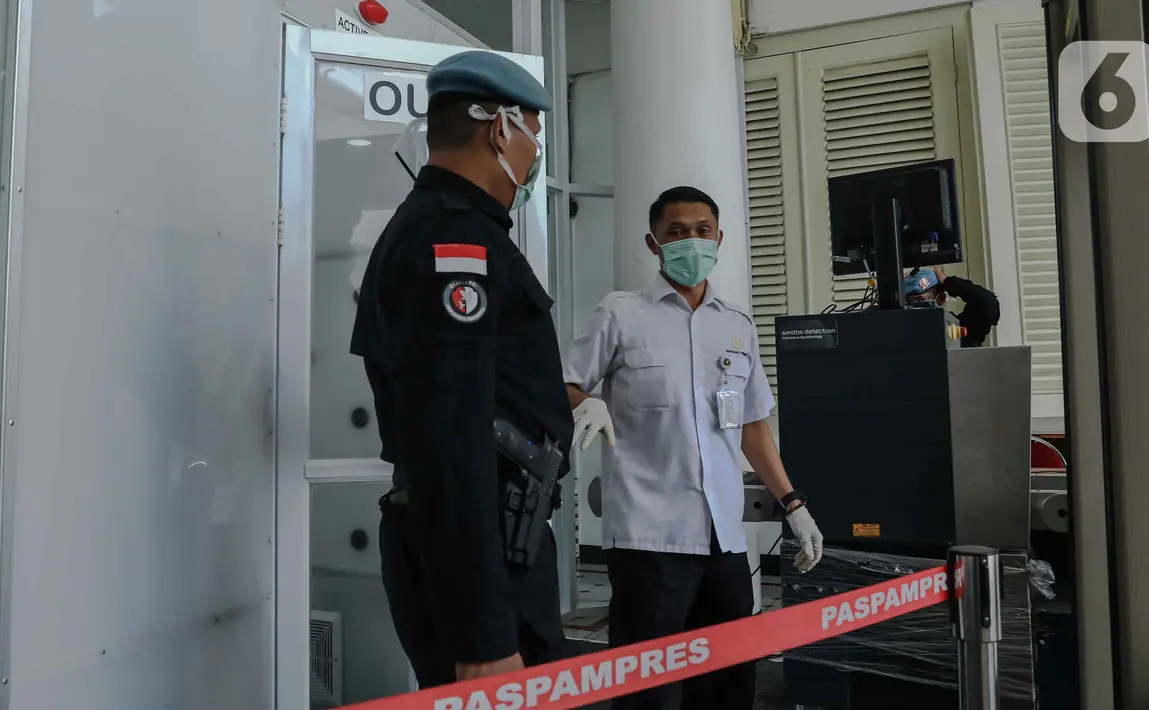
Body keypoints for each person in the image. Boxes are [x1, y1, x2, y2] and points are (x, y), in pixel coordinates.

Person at [349, 50, 573, 687]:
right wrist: (484, 631)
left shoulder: (446, 229)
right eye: (534, 132)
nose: (534, 152)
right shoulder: (456, 245)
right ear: (500, 127)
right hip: (481, 561)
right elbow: (453, 439)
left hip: (485, 542)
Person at [563, 186, 825, 710]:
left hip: (723, 539)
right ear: (653, 242)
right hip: (647, 536)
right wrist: (583, 403)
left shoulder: (736, 326)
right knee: (647, 692)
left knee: (728, 684)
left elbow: (752, 425)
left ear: (719, 238)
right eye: (676, 232)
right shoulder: (621, 316)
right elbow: (567, 382)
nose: (691, 241)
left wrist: (794, 505)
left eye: (702, 231)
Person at [903, 265, 1001, 347]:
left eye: (922, 299)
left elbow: (988, 303)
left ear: (941, 298)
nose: (919, 302)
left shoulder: (957, 334)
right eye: (914, 299)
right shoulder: (901, 323)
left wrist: (947, 281)